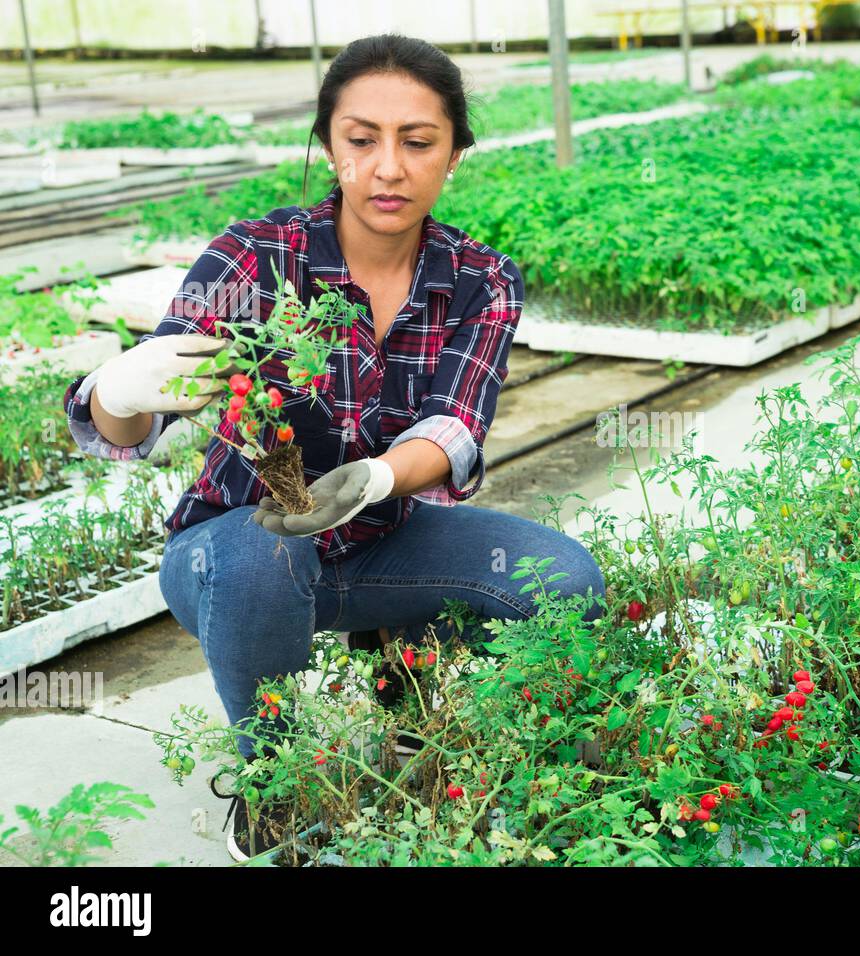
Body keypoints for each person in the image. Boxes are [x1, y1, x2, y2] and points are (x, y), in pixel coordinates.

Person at [61, 34, 606, 861]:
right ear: (328, 146)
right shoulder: (255, 256)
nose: (388, 167)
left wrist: (380, 476)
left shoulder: (479, 278)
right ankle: (276, 782)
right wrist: (120, 393)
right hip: (231, 557)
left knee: (566, 583)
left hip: (385, 538)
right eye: (361, 140)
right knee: (263, 553)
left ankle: (414, 684)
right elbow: (143, 421)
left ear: (454, 154)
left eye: (418, 142)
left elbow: (455, 426)